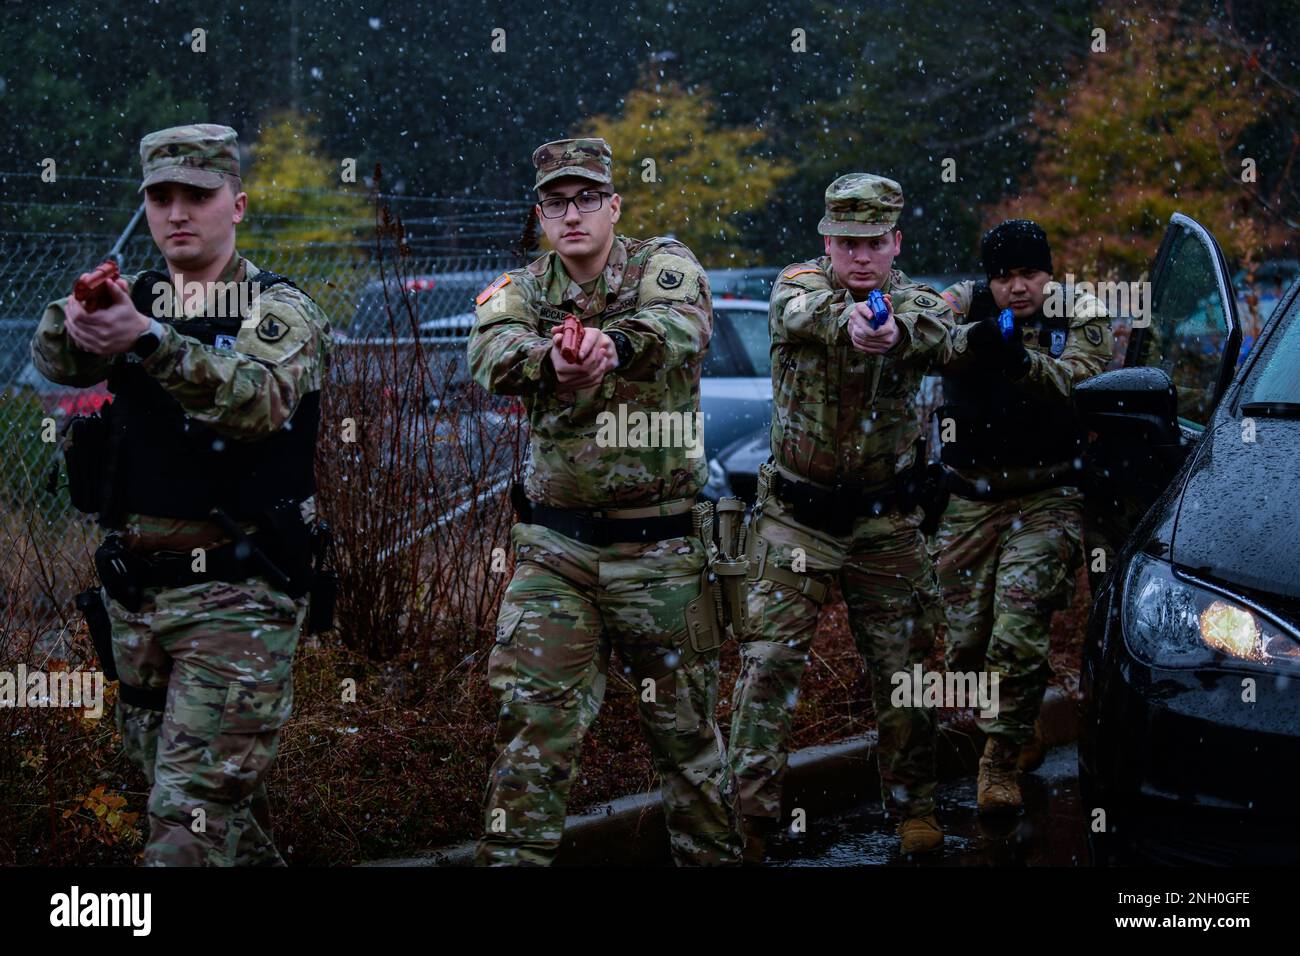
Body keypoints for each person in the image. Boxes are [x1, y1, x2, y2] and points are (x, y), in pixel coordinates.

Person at [30, 124, 333, 865]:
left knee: (183, 825)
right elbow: (54, 359)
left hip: (241, 597)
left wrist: (147, 340)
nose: (176, 213)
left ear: (237, 204)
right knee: (208, 816)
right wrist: (80, 316)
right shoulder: (138, 296)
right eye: (160, 197)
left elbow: (258, 400)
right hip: (139, 600)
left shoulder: (279, 309)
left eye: (196, 196)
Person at [467, 137, 743, 866]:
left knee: (687, 743)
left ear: (615, 205)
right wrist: (549, 359)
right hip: (557, 554)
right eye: (557, 202)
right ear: (541, 215)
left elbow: (682, 325)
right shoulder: (522, 289)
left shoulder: (663, 265)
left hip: (660, 549)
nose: (573, 213)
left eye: (588, 197)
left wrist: (611, 347)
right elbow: (489, 351)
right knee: (531, 731)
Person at [727, 173, 954, 862]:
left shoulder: (914, 301)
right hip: (798, 519)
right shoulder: (797, 286)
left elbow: (938, 330)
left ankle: (915, 806)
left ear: (896, 243)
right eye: (847, 242)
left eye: (874, 243)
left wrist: (896, 328)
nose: (861, 256)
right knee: (767, 666)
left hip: (885, 522)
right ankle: (750, 819)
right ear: (827, 241)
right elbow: (804, 310)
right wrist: (852, 322)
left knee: (905, 668)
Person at [933, 219, 1111, 811]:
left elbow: (1083, 378)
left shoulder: (1077, 310)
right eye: (1004, 275)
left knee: (1018, 629)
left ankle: (998, 764)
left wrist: (1018, 364)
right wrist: (973, 340)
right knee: (965, 645)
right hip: (969, 497)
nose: (1017, 287)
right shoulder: (964, 300)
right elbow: (919, 328)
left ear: (1049, 274)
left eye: (1029, 274)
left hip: (1048, 496)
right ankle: (1017, 720)